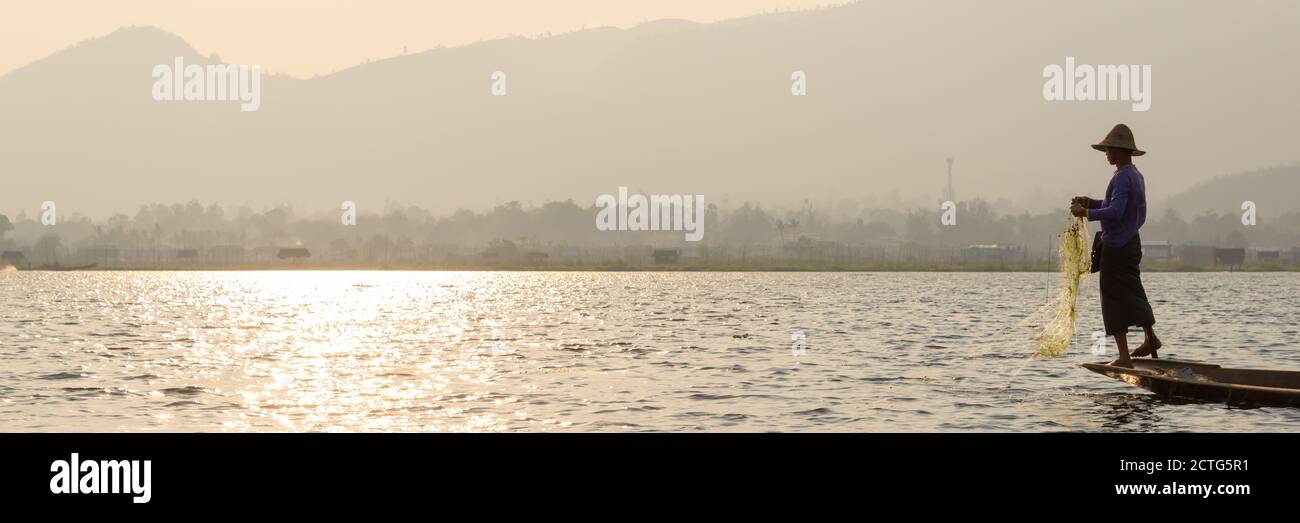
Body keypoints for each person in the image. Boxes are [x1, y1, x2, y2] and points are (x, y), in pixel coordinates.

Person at [1070, 124, 1159, 368]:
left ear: (1119, 150)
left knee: (1112, 298)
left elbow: (1116, 212)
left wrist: (1086, 212)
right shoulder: (1135, 174)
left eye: (1109, 150)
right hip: (1131, 243)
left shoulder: (1121, 177)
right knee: (1134, 291)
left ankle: (1124, 357)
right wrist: (1090, 202)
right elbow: (1115, 205)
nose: (1107, 154)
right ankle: (1151, 338)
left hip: (1117, 246)